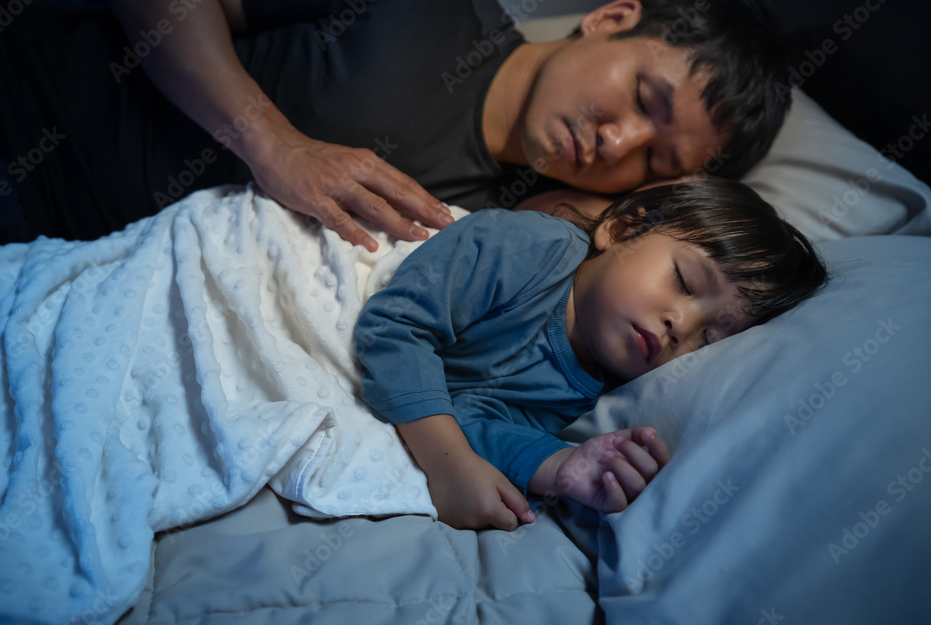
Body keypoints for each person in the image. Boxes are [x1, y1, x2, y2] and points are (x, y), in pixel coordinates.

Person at [0, 0, 788, 248]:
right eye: (645, 102)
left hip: (30, 247)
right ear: (609, 19)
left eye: (652, 159)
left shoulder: (484, 220)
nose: (618, 143)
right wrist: (279, 150)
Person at [354, 179, 828, 531]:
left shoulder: (592, 391)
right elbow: (396, 326)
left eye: (707, 339)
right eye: (684, 282)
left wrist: (563, 467)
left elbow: (473, 420)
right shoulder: (530, 249)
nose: (680, 325)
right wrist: (448, 464)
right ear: (622, 229)